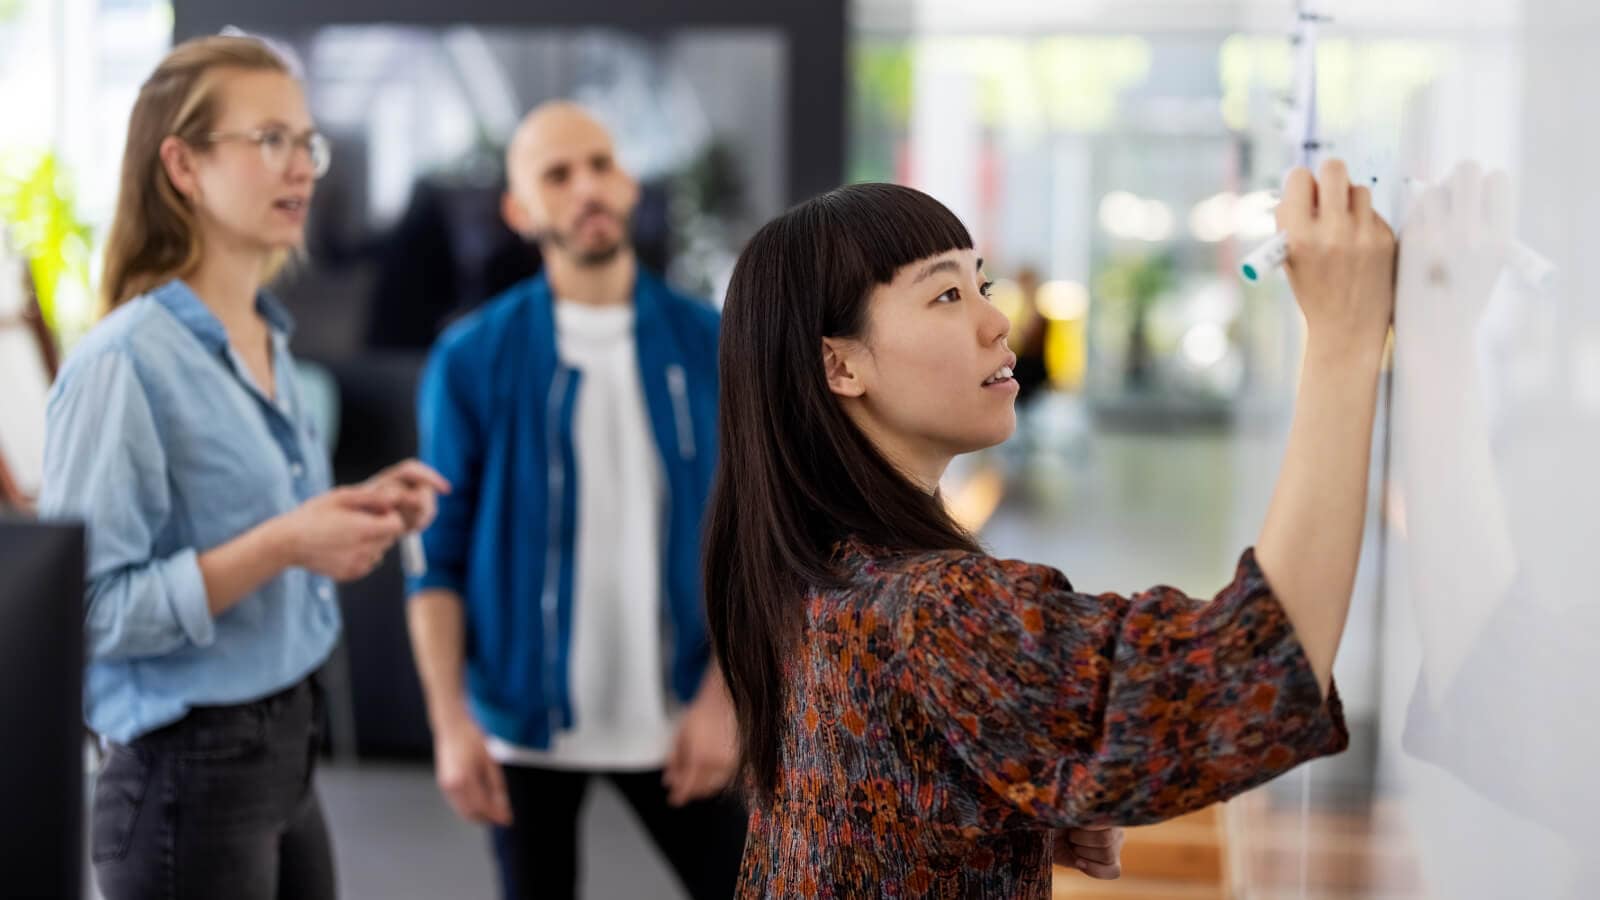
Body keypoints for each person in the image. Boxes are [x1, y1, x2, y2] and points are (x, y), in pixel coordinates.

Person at [703, 163, 1395, 897]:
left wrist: (984, 793)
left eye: (982, 286)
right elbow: (1252, 669)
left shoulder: (812, 564)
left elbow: (851, 805)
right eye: (945, 294)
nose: (998, 321)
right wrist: (1346, 342)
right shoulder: (931, 607)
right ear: (839, 364)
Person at [38, 35, 447, 900]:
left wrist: (348, 511)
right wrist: (288, 543)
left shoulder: (266, 337)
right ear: (182, 164)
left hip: (287, 745)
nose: (302, 167)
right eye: (269, 140)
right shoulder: (123, 363)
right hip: (186, 771)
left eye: (308, 143)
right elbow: (84, 613)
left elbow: (257, 524)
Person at [407, 101, 746, 900]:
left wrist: (725, 698)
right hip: (522, 729)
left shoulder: (714, 344)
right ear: (520, 211)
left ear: (628, 184)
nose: (586, 186)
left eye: (600, 164)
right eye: (557, 175)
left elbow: (757, 543)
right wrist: (450, 724)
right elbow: (436, 558)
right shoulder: (470, 359)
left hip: (686, 712)